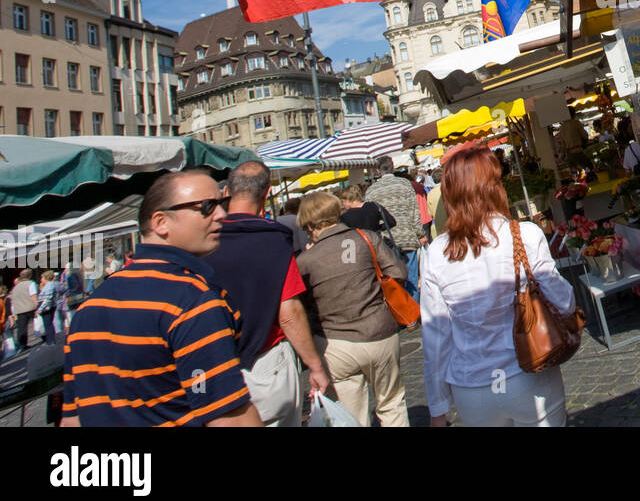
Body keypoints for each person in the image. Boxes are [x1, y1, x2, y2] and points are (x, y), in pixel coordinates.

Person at [61, 171, 262, 426]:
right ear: (160, 222)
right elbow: (229, 417)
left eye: (222, 204)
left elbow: (72, 419)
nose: (222, 215)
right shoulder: (192, 301)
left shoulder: (87, 310)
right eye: (207, 207)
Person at [422, 144, 576, 427]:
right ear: (494, 187)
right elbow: (565, 302)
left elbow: (435, 338)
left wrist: (437, 408)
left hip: (472, 388)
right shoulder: (525, 234)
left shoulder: (436, 252)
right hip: (529, 374)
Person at [203, 160, 329, 427]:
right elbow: (290, 313)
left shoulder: (201, 241)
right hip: (267, 360)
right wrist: (315, 367)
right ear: (267, 195)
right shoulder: (273, 239)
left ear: (226, 193)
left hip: (214, 365)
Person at [296, 191, 411, 427]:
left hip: (336, 343)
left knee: (350, 417)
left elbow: (303, 307)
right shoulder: (365, 238)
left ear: (308, 224)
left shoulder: (305, 261)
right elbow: (399, 273)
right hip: (379, 331)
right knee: (392, 403)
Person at [364, 157, 424, 298]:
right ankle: (414, 316)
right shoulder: (405, 184)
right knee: (412, 281)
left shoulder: (371, 191)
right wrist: (420, 234)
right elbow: (414, 211)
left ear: (378, 171)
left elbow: (371, 219)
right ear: (393, 167)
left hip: (386, 243)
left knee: (394, 283)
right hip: (408, 237)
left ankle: (402, 316)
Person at [8, 269, 38, 353]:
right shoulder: (31, 283)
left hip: (19, 309)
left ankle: (22, 345)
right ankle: (44, 336)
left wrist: (13, 313)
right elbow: (33, 296)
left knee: (22, 328)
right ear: (30, 275)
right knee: (38, 322)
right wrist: (37, 307)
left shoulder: (15, 288)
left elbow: (12, 301)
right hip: (30, 307)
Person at [35, 270, 65, 345]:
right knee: (49, 324)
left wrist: (40, 309)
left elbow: (47, 299)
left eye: (42, 278)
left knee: (48, 325)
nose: (41, 280)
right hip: (50, 306)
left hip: (47, 308)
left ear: (46, 278)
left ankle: (51, 341)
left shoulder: (49, 286)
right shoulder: (52, 284)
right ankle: (51, 340)